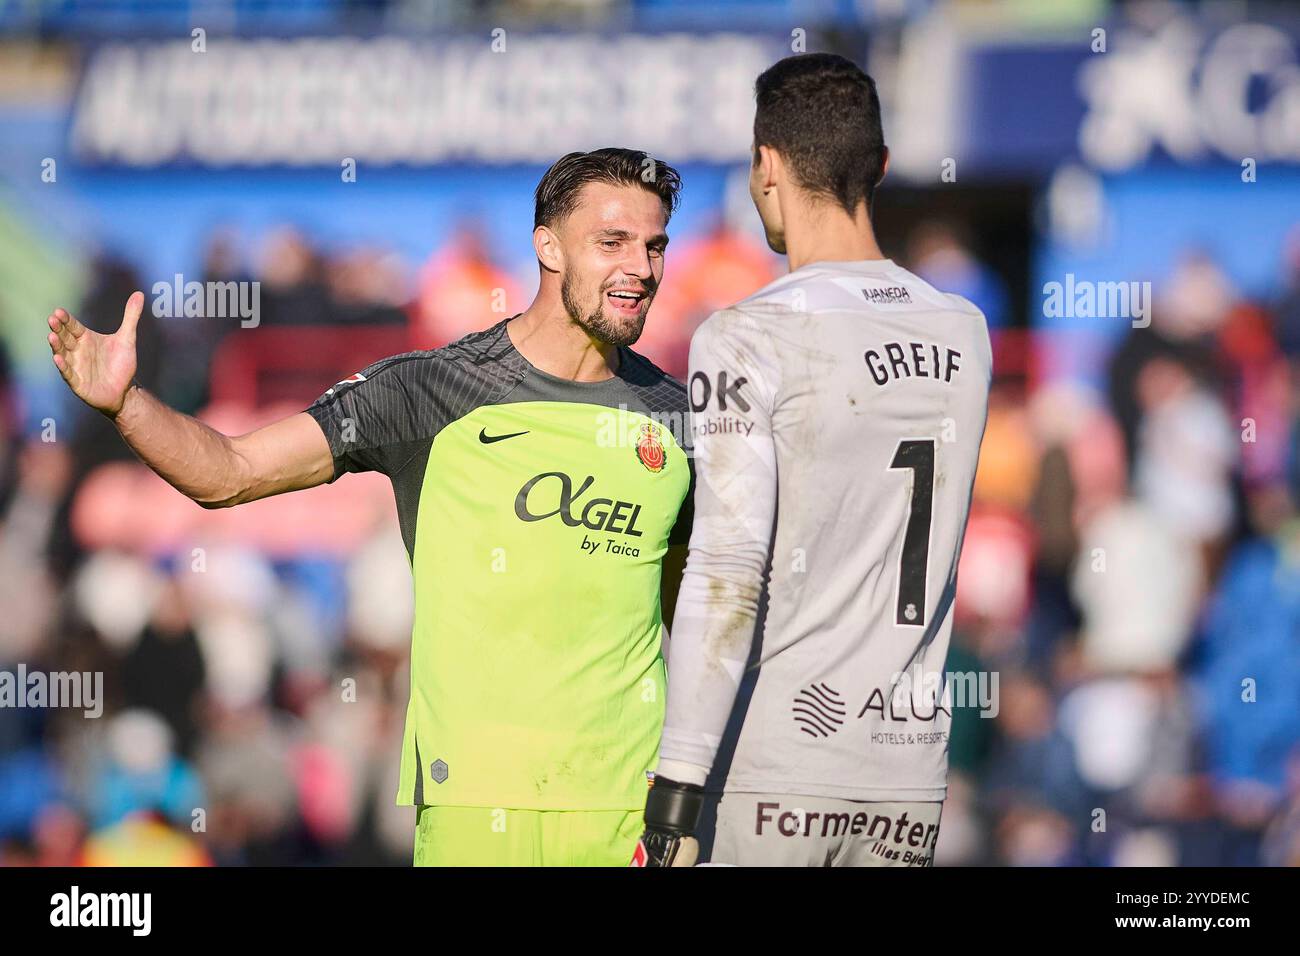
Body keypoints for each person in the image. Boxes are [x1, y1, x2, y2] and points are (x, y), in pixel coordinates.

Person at [47, 147, 694, 867]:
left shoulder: (678, 416)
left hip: (628, 812)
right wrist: (126, 405)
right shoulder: (429, 391)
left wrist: (688, 800)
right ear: (546, 245)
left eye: (655, 245)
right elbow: (230, 471)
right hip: (474, 809)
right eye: (613, 242)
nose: (641, 267)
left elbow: (700, 626)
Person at [633, 54, 992, 867]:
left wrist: (677, 783)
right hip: (908, 774)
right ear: (882, 169)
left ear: (765, 166)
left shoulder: (745, 333)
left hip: (776, 766)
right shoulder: (965, 330)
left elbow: (727, 567)